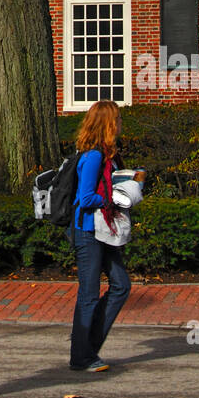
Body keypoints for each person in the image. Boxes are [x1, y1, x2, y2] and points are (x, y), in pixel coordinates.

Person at [68, 99, 132, 372]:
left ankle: (88, 344)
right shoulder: (93, 156)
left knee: (121, 285)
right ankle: (82, 356)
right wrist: (114, 199)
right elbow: (84, 198)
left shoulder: (108, 155)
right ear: (107, 123)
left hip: (105, 230)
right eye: (116, 120)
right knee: (89, 294)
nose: (120, 125)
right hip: (88, 231)